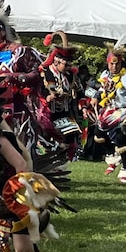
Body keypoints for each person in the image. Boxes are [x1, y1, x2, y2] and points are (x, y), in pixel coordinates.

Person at [0, 0, 46, 161]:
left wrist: (14, 77)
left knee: (20, 149)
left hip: (16, 111)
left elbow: (37, 74)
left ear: (2, 32)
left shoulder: (18, 51)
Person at [87, 41, 126, 183]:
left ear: (121, 63)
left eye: (117, 64)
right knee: (98, 135)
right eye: (112, 63)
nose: (114, 66)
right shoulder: (106, 74)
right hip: (110, 109)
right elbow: (102, 88)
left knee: (120, 138)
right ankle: (112, 154)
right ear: (108, 63)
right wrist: (95, 97)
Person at [41, 31, 83, 161]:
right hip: (47, 112)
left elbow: (80, 91)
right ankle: (48, 161)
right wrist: (47, 97)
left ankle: (58, 163)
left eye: (69, 65)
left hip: (64, 112)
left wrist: (82, 102)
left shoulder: (70, 75)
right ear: (56, 61)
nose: (67, 68)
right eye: (65, 65)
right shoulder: (45, 72)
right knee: (48, 140)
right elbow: (41, 89)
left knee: (70, 136)